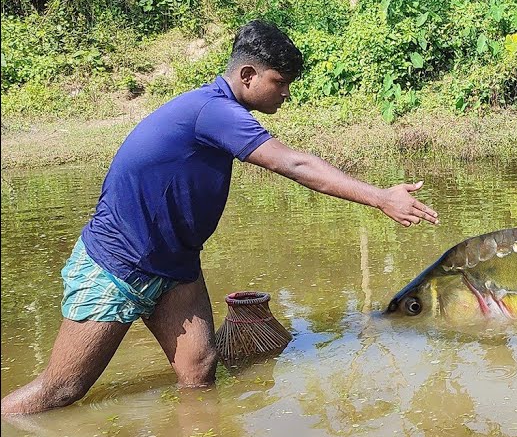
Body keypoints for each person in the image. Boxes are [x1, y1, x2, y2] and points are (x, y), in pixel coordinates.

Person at [1, 20, 439, 415]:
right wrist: (380, 197)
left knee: (200, 372)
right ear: (247, 76)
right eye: (280, 82)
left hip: (175, 267)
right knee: (61, 391)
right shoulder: (214, 110)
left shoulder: (220, 111)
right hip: (119, 264)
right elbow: (293, 164)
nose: (286, 93)